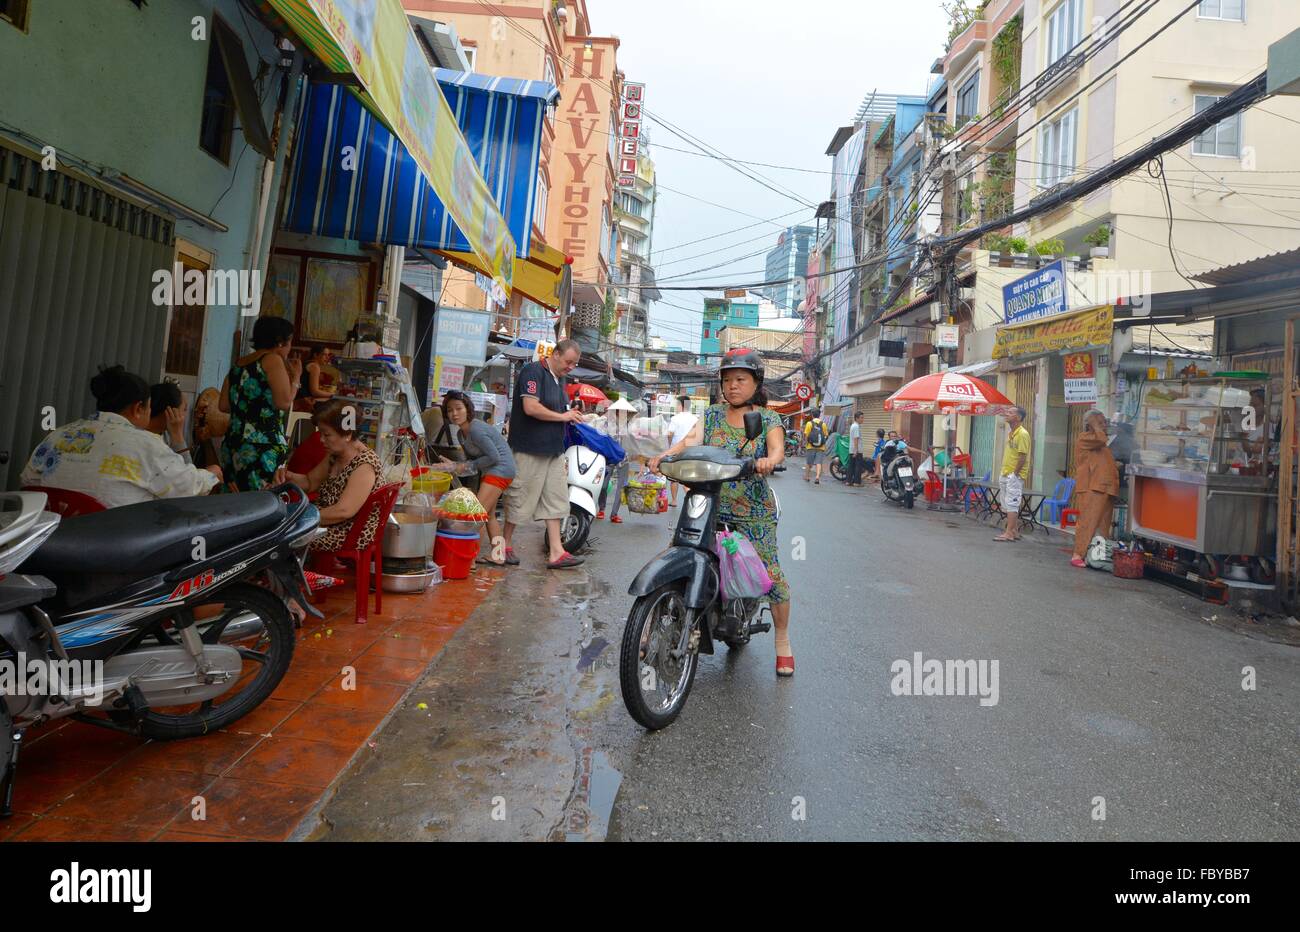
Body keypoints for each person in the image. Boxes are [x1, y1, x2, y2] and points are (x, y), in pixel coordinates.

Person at [649, 349, 793, 677]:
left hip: (752, 510)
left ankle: (782, 640)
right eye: (727, 380)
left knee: (771, 576)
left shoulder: (768, 419)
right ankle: (658, 622)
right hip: (710, 501)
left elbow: (777, 447)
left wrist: (769, 461)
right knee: (680, 552)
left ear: (756, 383)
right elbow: (689, 441)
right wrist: (665, 455)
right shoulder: (712, 414)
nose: (732, 386)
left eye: (740, 380)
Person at [22, 365, 221, 507]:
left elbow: (28, 481)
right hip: (114, 548)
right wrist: (213, 474)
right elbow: (187, 489)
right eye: (148, 407)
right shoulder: (146, 445)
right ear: (138, 408)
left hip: (53, 543)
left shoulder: (58, 435)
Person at [501, 340, 586, 569]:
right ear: (556, 354)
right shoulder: (532, 371)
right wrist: (563, 417)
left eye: (574, 364)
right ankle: (504, 546)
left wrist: (571, 414)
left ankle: (557, 551)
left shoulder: (561, 379)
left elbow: (558, 411)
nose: (570, 367)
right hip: (529, 448)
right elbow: (531, 407)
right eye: (568, 362)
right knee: (519, 499)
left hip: (553, 450)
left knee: (556, 499)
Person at [276, 398, 382, 554]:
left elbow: (344, 511)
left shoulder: (365, 464)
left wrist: (299, 518)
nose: (321, 440)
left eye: (327, 434)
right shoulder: (335, 454)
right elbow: (310, 482)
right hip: (328, 524)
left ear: (347, 434)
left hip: (347, 532)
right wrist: (287, 476)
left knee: (281, 537)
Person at [220, 316, 301, 491]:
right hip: (261, 446)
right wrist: (296, 379)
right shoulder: (272, 359)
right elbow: (285, 403)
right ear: (280, 342)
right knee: (260, 505)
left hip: (232, 444)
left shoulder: (239, 364)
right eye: (289, 343)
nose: (289, 349)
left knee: (233, 502)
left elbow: (224, 405)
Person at [435, 390, 516, 565]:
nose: (454, 414)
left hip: (500, 469)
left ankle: (467, 560)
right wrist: (454, 466)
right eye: (450, 410)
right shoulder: (460, 434)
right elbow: (473, 462)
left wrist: (460, 466)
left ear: (468, 409)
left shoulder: (476, 429)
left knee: (474, 516)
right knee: (488, 515)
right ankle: (498, 555)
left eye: (458, 408)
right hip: (492, 471)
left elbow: (493, 457)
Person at [1070, 408, 1120, 568]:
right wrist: (1094, 423)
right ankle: (1078, 554)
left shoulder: (1100, 441)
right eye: (1101, 422)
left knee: (1103, 526)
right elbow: (1100, 439)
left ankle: (1096, 557)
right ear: (1091, 425)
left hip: (1105, 487)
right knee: (1088, 522)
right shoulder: (1085, 438)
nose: (1104, 425)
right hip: (1092, 487)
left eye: (1104, 422)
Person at [596, 398, 638, 524]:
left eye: (625, 411)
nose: (622, 413)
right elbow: (601, 439)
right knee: (603, 485)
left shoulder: (630, 425)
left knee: (621, 486)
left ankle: (614, 514)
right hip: (608, 458)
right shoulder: (606, 423)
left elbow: (634, 440)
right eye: (620, 411)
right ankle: (601, 508)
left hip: (623, 458)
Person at [994, 406, 1031, 542]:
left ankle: (1008, 533)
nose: (1006, 414)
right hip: (1006, 472)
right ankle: (1014, 530)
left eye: (1010, 413)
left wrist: (1015, 474)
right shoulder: (1012, 433)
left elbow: (1022, 456)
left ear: (1018, 417)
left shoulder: (1022, 434)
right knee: (1005, 503)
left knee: (1012, 504)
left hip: (1014, 475)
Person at [665, 395, 698, 507]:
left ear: (681, 405)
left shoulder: (675, 418)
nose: (676, 407)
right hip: (690, 451)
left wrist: (670, 446)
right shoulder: (695, 419)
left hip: (676, 450)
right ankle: (691, 500)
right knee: (688, 476)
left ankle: (674, 501)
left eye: (677, 405)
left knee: (674, 476)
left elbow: (670, 434)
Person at [148, 381, 193, 463]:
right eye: (184, 409)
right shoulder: (147, 440)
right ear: (170, 412)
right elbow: (187, 471)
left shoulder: (165, 434)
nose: (185, 415)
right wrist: (178, 435)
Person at [294, 346, 335, 412]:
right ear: (315, 355)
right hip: (303, 401)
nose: (327, 358)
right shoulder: (314, 366)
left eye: (328, 355)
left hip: (298, 397)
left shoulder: (308, 362)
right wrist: (333, 395)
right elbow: (315, 392)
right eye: (324, 355)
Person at [802, 408, 830, 484]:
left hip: (810, 446)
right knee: (818, 462)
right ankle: (817, 477)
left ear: (812, 415)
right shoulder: (823, 424)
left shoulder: (809, 423)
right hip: (821, 447)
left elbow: (806, 435)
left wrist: (806, 443)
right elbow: (826, 435)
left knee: (809, 462)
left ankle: (807, 476)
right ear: (819, 415)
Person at [847, 411, 865, 487]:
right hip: (857, 450)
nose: (863, 419)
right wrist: (856, 450)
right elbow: (856, 439)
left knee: (851, 466)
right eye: (861, 418)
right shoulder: (856, 426)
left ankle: (849, 481)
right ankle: (857, 482)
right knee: (858, 466)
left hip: (852, 449)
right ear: (857, 418)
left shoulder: (853, 425)